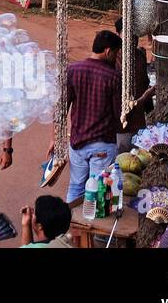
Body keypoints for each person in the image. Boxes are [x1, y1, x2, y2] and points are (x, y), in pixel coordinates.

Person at [50, 29, 122, 204]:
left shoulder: (73, 70)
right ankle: (94, 229)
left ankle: (71, 227)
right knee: (99, 192)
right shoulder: (113, 77)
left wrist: (55, 139)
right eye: (116, 53)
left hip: (77, 142)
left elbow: (60, 109)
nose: (117, 58)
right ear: (108, 51)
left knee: (76, 186)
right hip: (103, 144)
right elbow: (118, 115)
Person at [113, 18, 153, 151]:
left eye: (135, 35)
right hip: (119, 125)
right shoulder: (113, 58)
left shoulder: (140, 55)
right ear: (118, 34)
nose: (133, 39)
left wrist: (150, 113)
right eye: (128, 34)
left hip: (139, 123)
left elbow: (144, 84)